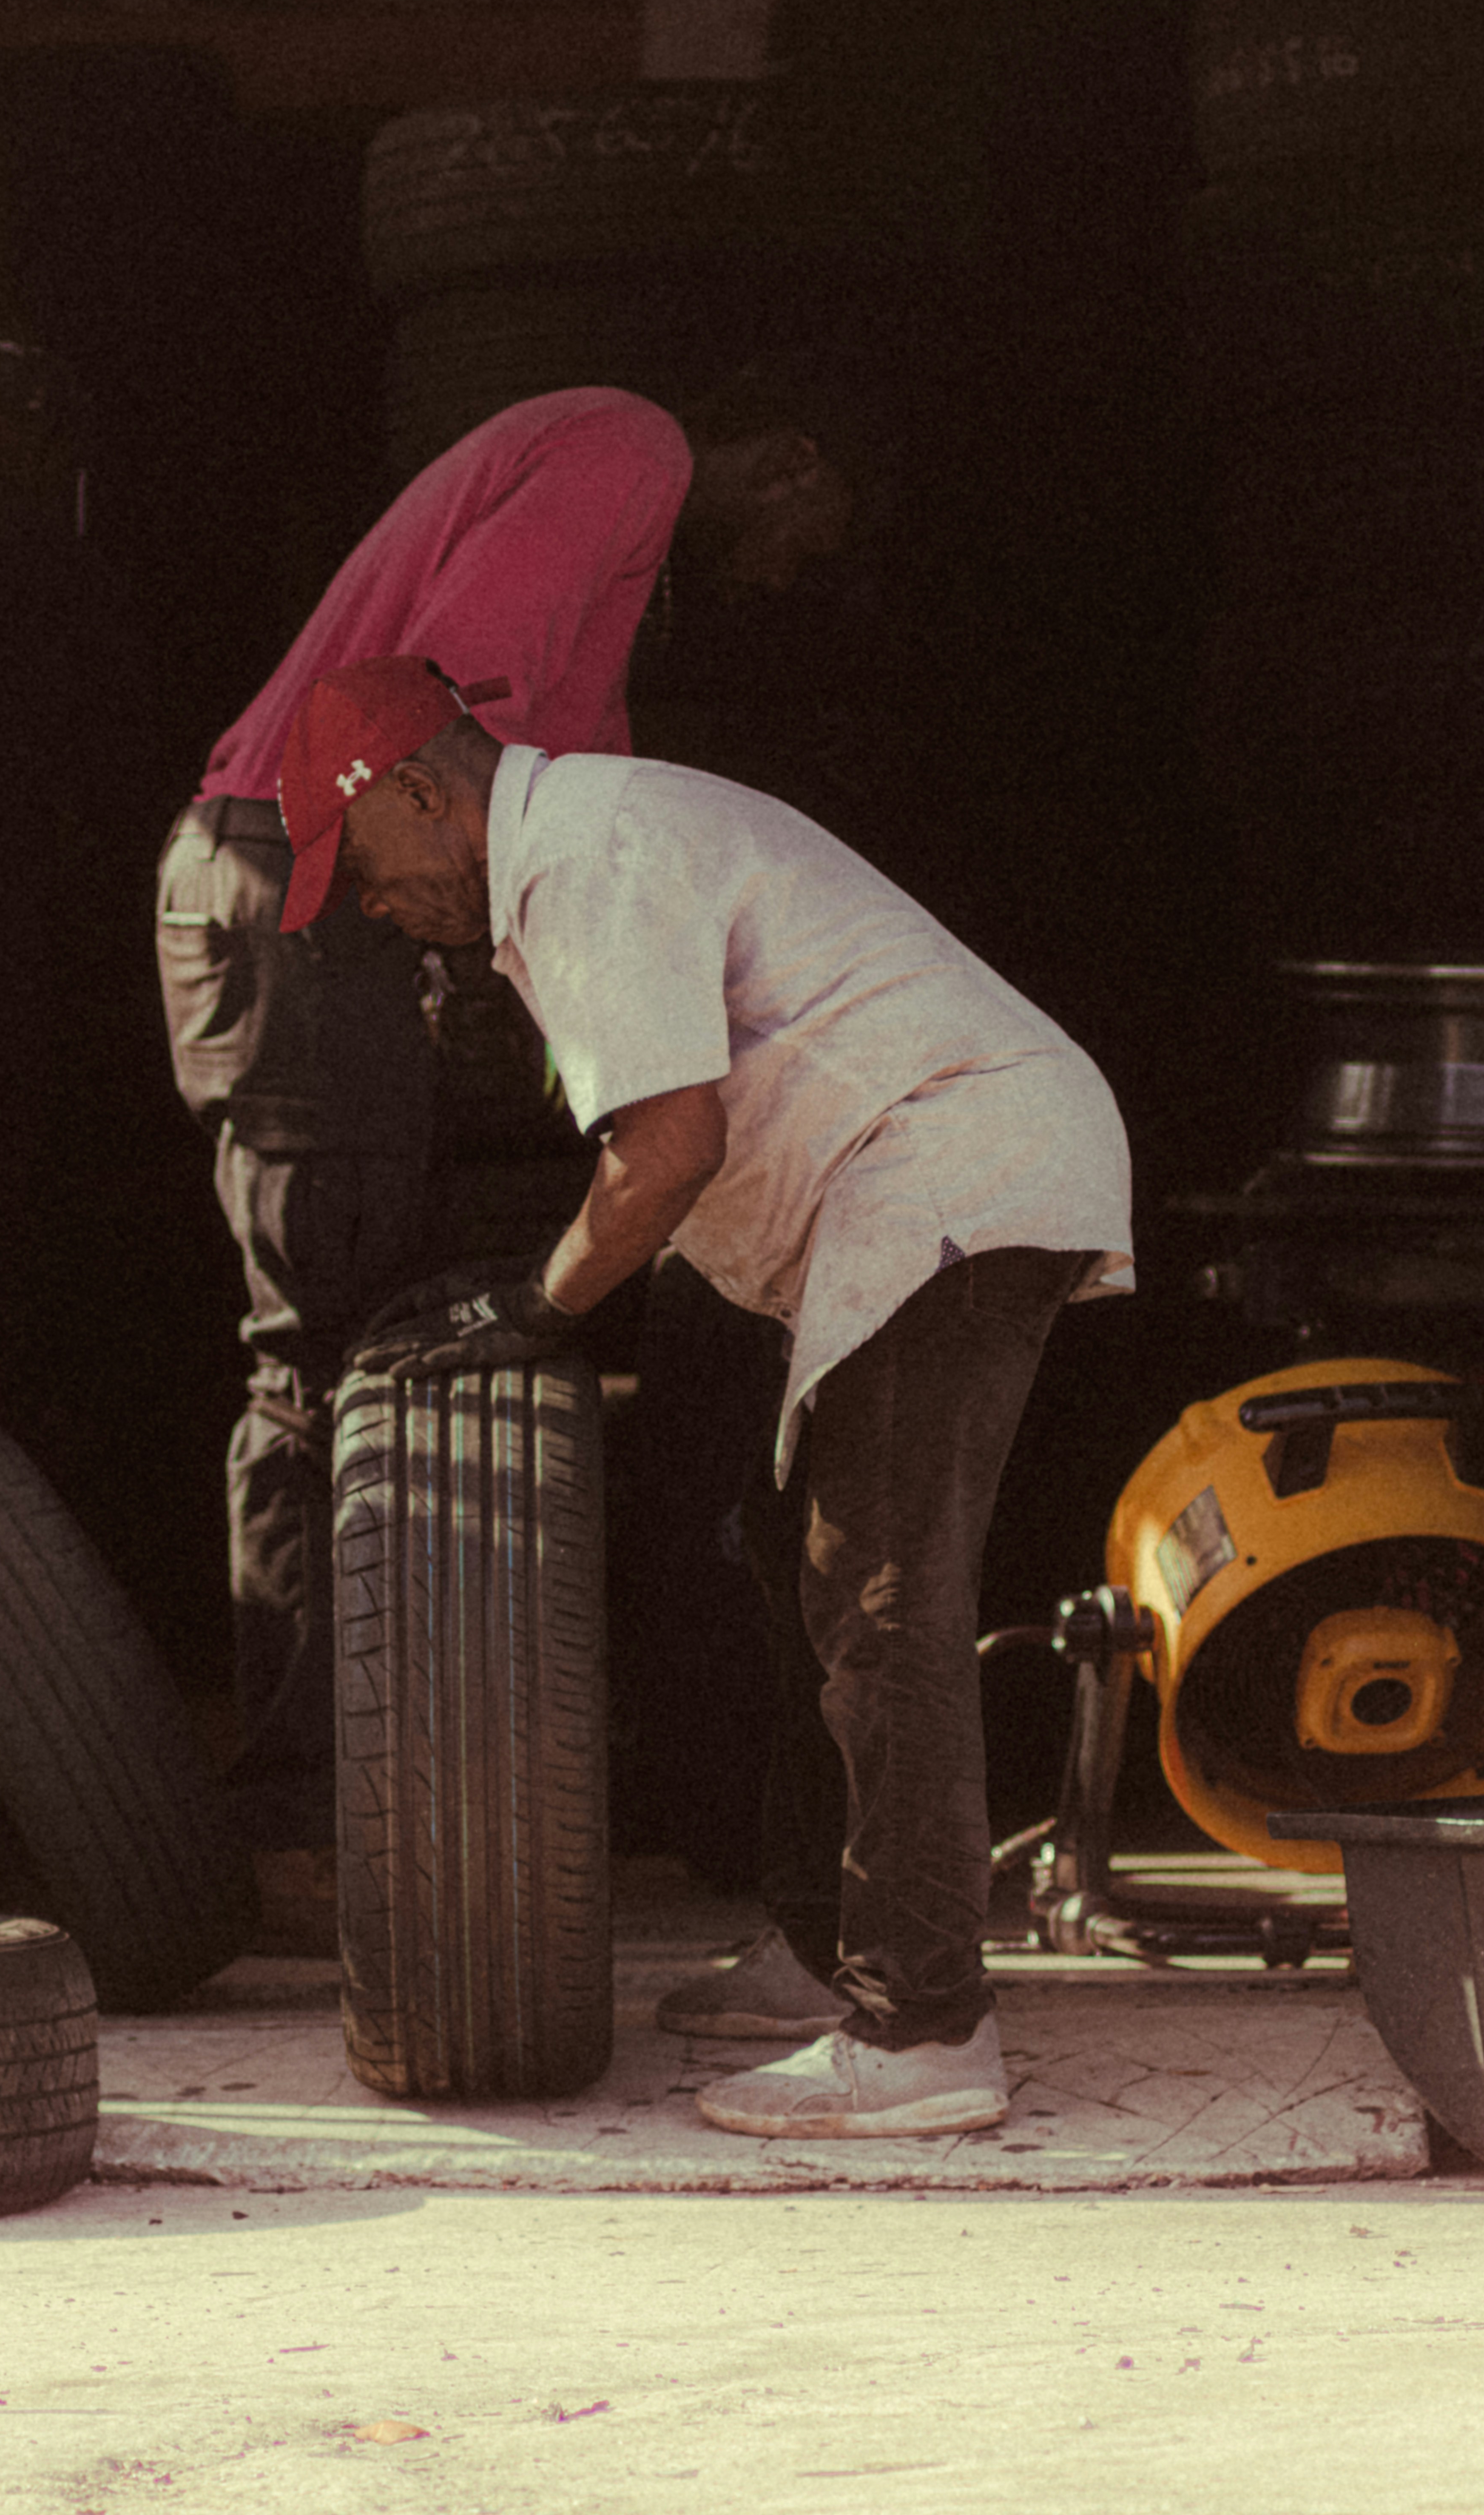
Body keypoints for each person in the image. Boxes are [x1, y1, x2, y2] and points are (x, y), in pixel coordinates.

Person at [300, 654, 1133, 2139]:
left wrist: (537, 1305)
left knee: (882, 1602)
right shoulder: (583, 854)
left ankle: (923, 2027)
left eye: (362, 867)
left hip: (956, 1169)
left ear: (424, 793)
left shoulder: (589, 859)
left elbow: (669, 1145)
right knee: (787, 1554)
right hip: (915, 1183)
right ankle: (826, 1952)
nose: (368, 907)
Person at [154, 378, 864, 1944]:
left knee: (379, 1327)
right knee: (319, 1357)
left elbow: (554, 830)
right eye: (821, 543)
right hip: (294, 871)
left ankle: (403, 1786)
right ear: (793, 460)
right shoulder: (633, 446)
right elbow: (447, 692)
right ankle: (294, 1821)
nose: (796, 585)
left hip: (310, 885)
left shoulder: (604, 644)